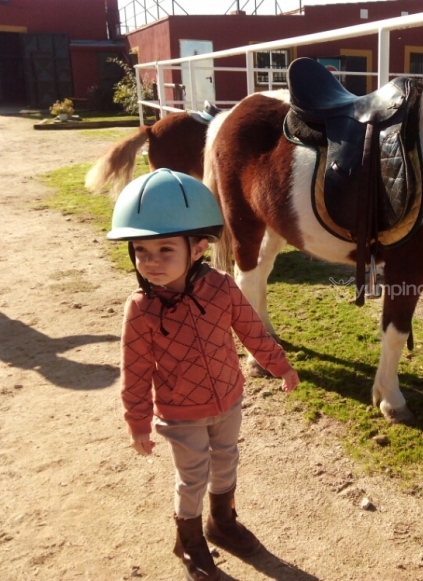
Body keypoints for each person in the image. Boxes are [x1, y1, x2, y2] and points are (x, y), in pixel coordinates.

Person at [108, 168, 299, 581]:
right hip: (181, 412)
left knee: (227, 461)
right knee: (192, 477)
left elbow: (251, 331)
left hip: (228, 400)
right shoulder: (140, 309)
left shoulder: (222, 287)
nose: (151, 262)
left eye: (164, 250)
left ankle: (221, 522)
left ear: (197, 249)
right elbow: (136, 370)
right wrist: (137, 422)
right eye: (141, 251)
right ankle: (189, 540)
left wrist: (279, 364)